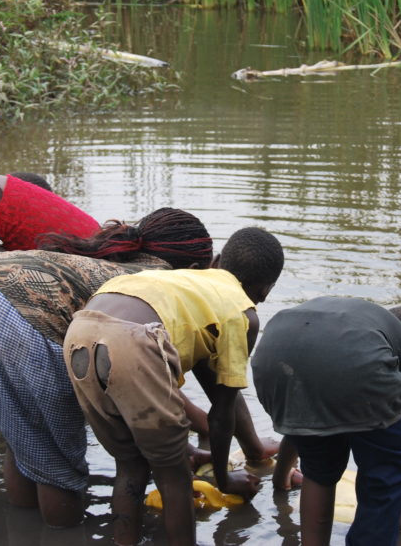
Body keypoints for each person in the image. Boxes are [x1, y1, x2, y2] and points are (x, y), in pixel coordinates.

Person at [0, 208, 215, 528]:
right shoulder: (162, 287)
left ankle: (23, 527)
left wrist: (186, 443)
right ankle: (61, 534)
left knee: (22, 436)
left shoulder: (112, 259)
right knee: (57, 467)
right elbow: (146, 387)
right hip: (12, 311)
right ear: (193, 270)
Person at [63, 226, 284, 546]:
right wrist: (224, 479)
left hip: (81, 329)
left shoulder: (182, 282)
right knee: (175, 476)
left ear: (217, 261)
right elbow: (223, 413)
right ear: (265, 291)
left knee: (131, 466)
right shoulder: (241, 312)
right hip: (134, 341)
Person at [252, 298, 401, 546]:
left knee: (319, 470)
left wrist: (280, 476)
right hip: (358, 363)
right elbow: (387, 464)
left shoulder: (359, 321)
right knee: (383, 473)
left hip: (274, 350)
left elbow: (298, 429)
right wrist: (400, 526)